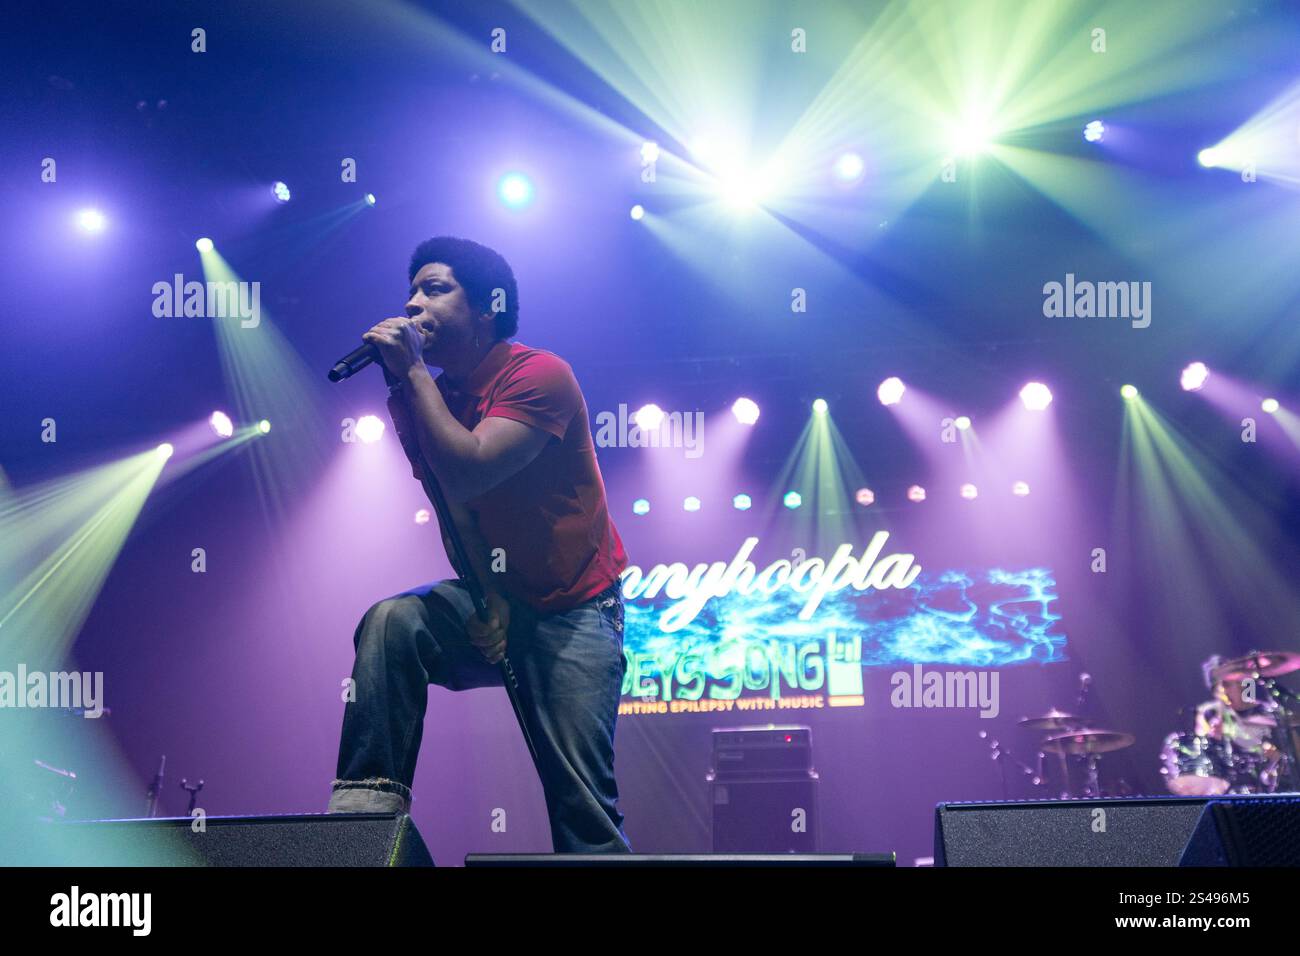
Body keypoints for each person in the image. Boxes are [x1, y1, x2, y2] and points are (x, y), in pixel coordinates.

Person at [328, 236, 631, 853]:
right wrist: (489, 597)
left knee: (582, 812)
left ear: (488, 306)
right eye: (411, 290)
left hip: (574, 613)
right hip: (502, 597)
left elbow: (470, 469)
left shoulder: (540, 374)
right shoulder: (435, 398)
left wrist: (412, 373)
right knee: (393, 624)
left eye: (434, 289)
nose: (413, 304)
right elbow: (453, 505)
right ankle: (361, 822)